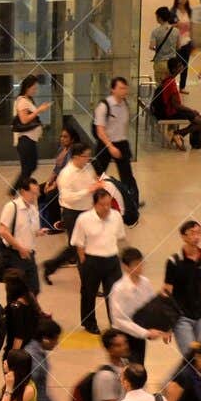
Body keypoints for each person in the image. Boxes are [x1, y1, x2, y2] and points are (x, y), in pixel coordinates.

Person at [70, 186, 123, 336]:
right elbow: (78, 242)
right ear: (94, 204)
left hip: (112, 260)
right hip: (91, 260)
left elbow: (119, 236)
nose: (106, 208)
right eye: (103, 204)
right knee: (89, 293)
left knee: (114, 293)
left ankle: (115, 322)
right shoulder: (84, 219)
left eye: (109, 204)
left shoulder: (116, 216)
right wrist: (83, 261)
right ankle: (89, 322)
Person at [162, 219, 201, 356]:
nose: (196, 236)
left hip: (199, 316)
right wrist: (167, 325)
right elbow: (167, 293)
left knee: (200, 356)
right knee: (191, 356)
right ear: (183, 236)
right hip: (181, 318)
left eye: (199, 233)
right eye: (192, 233)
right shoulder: (174, 262)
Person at [91, 78, 139, 222]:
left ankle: (132, 203)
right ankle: (95, 201)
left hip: (121, 143)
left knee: (127, 176)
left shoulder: (125, 104)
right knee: (99, 174)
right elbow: (100, 130)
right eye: (121, 88)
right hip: (106, 145)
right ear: (113, 89)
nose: (124, 91)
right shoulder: (104, 106)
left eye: (125, 88)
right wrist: (110, 146)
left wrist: (120, 144)